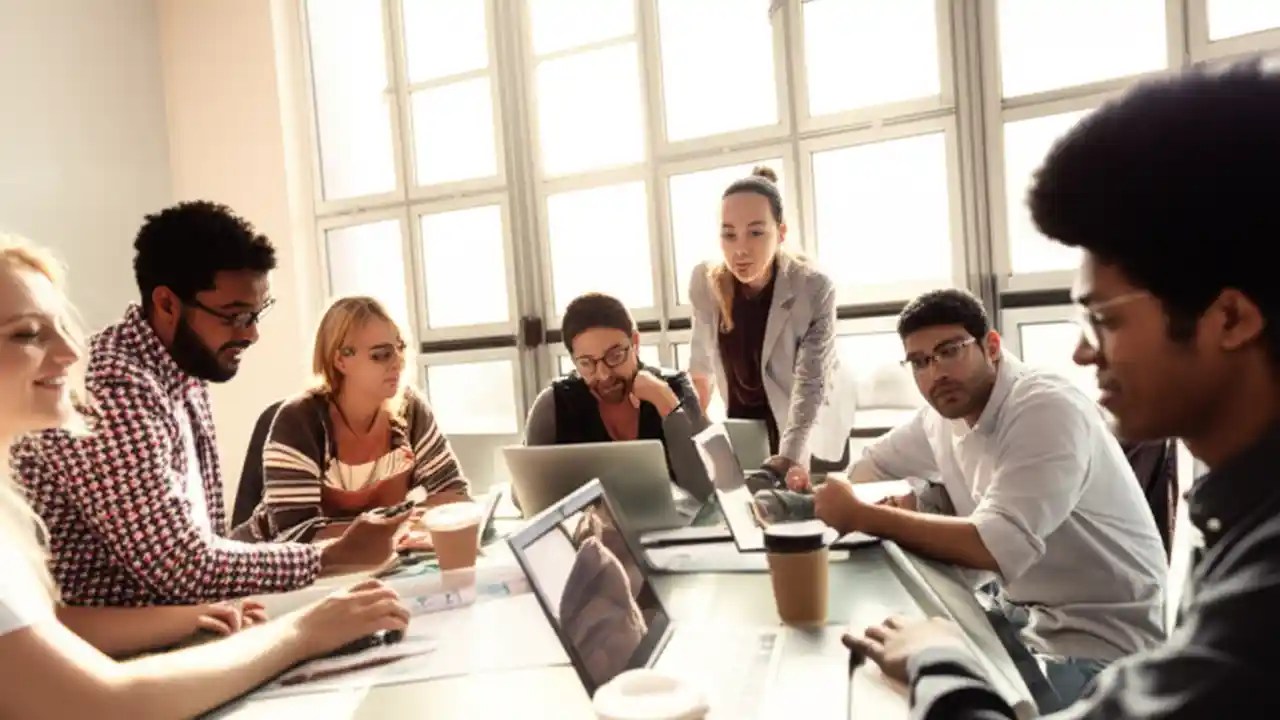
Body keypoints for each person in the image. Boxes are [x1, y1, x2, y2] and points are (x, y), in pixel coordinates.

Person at [843, 60, 1280, 718]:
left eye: (1104, 320)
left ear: (1231, 318)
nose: (1082, 351)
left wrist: (939, 661)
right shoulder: (1242, 517)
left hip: (1092, 652)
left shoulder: (1266, 588)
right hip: (1040, 630)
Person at [0, 234, 410, 718]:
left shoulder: (186, 376)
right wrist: (305, 628)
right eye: (27, 334)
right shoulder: (116, 384)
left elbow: (45, 625)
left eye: (62, 327)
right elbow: (104, 703)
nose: (72, 352)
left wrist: (188, 618)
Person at [12, 202, 405, 607]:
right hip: (123, 634)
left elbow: (205, 544)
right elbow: (180, 567)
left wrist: (275, 533)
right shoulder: (111, 388)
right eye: (235, 316)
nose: (251, 334)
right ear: (167, 304)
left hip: (194, 617)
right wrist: (330, 557)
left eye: (257, 313)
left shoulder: (185, 369)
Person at [792, 288, 1167, 704]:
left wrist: (863, 515)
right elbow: (874, 465)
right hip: (1020, 619)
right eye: (919, 362)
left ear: (991, 346)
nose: (935, 373)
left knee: (913, 694)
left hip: (1096, 649)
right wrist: (811, 502)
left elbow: (996, 545)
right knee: (874, 664)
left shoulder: (1044, 407)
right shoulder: (942, 415)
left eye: (949, 351)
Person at [231, 296, 470, 543]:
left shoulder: (410, 409)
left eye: (400, 348)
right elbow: (296, 533)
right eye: (381, 354)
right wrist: (395, 528)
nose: (398, 362)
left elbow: (454, 493)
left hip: (374, 557)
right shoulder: (299, 421)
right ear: (341, 360)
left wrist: (403, 528)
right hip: (267, 562)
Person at [687, 166, 853, 487]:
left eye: (756, 233)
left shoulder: (812, 288)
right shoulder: (705, 283)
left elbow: (810, 385)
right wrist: (692, 447)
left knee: (791, 502)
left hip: (800, 425)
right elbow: (700, 372)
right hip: (743, 427)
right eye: (729, 234)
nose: (740, 249)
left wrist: (787, 462)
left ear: (781, 232)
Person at [524, 292, 708, 492]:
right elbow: (524, 493)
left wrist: (666, 404)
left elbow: (705, 488)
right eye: (586, 363)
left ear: (635, 343)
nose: (603, 375)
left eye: (615, 356)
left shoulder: (674, 388)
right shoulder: (554, 403)